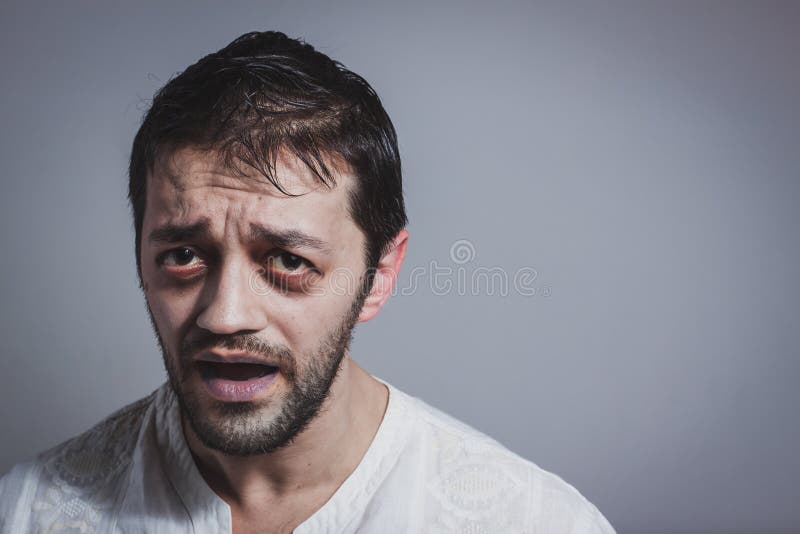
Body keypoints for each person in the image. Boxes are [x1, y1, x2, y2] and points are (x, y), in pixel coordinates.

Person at [0, 31, 615, 533]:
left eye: (289, 261)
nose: (225, 314)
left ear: (378, 275)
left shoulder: (534, 522)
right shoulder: (24, 513)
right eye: (184, 254)